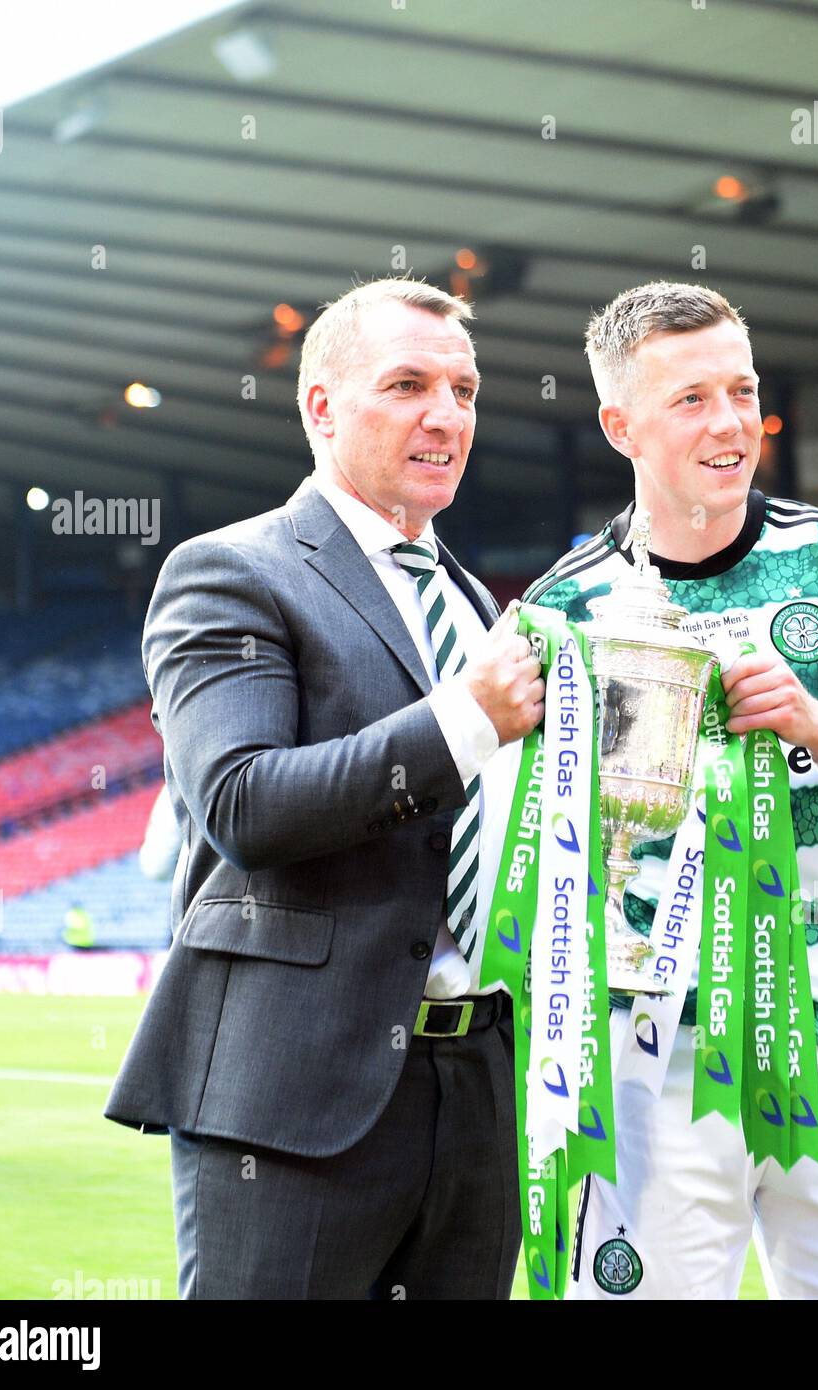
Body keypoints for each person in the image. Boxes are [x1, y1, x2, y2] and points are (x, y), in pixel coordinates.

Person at [104, 278, 545, 1299]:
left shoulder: (475, 602)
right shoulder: (231, 571)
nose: (446, 413)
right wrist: (465, 715)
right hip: (296, 1093)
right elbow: (246, 803)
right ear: (321, 406)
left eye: (464, 389)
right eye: (407, 384)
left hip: (476, 1082)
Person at [526, 281, 818, 1300]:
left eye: (742, 390)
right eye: (690, 399)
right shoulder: (565, 609)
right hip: (650, 1066)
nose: (728, 423)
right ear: (619, 423)